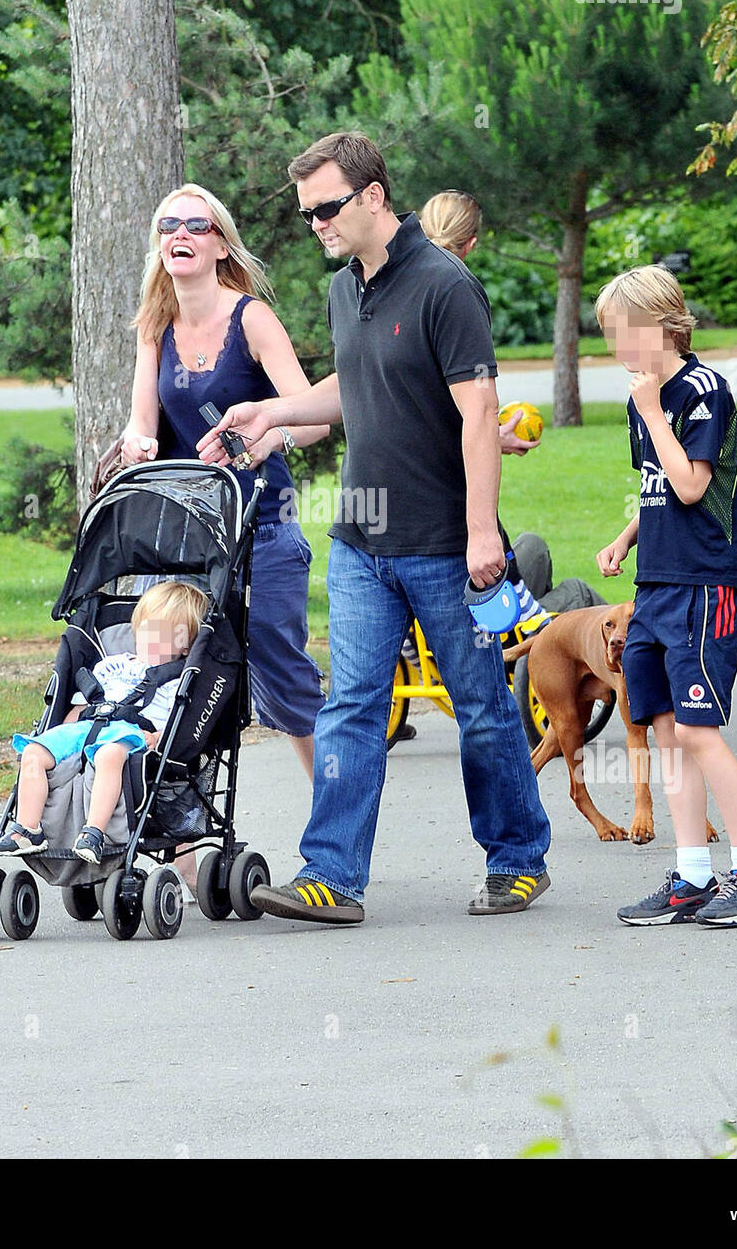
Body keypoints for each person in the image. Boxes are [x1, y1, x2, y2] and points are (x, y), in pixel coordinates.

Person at [199, 130, 552, 924]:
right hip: (361, 542)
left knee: (480, 706)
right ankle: (331, 875)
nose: (315, 223)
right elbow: (353, 384)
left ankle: (517, 857)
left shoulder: (444, 284)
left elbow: (479, 413)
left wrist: (480, 535)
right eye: (305, 214)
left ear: (372, 196)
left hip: (442, 545)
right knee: (351, 704)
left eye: (325, 207)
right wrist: (273, 408)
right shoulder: (342, 289)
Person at [118, 183, 328, 786]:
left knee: (280, 675)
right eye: (168, 226)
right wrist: (136, 442)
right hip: (187, 533)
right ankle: (183, 836)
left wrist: (273, 435)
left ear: (220, 247)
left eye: (195, 226)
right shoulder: (154, 327)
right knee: (171, 674)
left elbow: (312, 416)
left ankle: (336, 832)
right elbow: (143, 421)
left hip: (263, 526)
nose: (179, 234)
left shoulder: (251, 318)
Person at [594, 265, 737, 927]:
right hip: (657, 585)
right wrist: (626, 538)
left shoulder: (704, 390)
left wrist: (652, 410)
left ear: (656, 325)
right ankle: (692, 876)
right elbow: (655, 486)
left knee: (700, 731)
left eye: (621, 335)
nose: (616, 350)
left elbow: (690, 486)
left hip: (706, 582)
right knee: (667, 732)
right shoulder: (637, 398)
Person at [0, 581, 209, 867]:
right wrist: (60, 735)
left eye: (164, 635)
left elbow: (178, 723)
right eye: (147, 630)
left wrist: (158, 738)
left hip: (129, 733)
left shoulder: (177, 680)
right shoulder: (112, 665)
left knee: (109, 754)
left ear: (185, 644)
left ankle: (94, 831)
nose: (151, 639)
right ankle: (27, 829)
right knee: (34, 752)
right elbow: (81, 705)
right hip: (87, 725)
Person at [421, 189, 538, 458]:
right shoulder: (460, 290)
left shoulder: (387, 282)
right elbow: (470, 402)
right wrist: (491, 436)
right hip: (438, 478)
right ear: (471, 244)